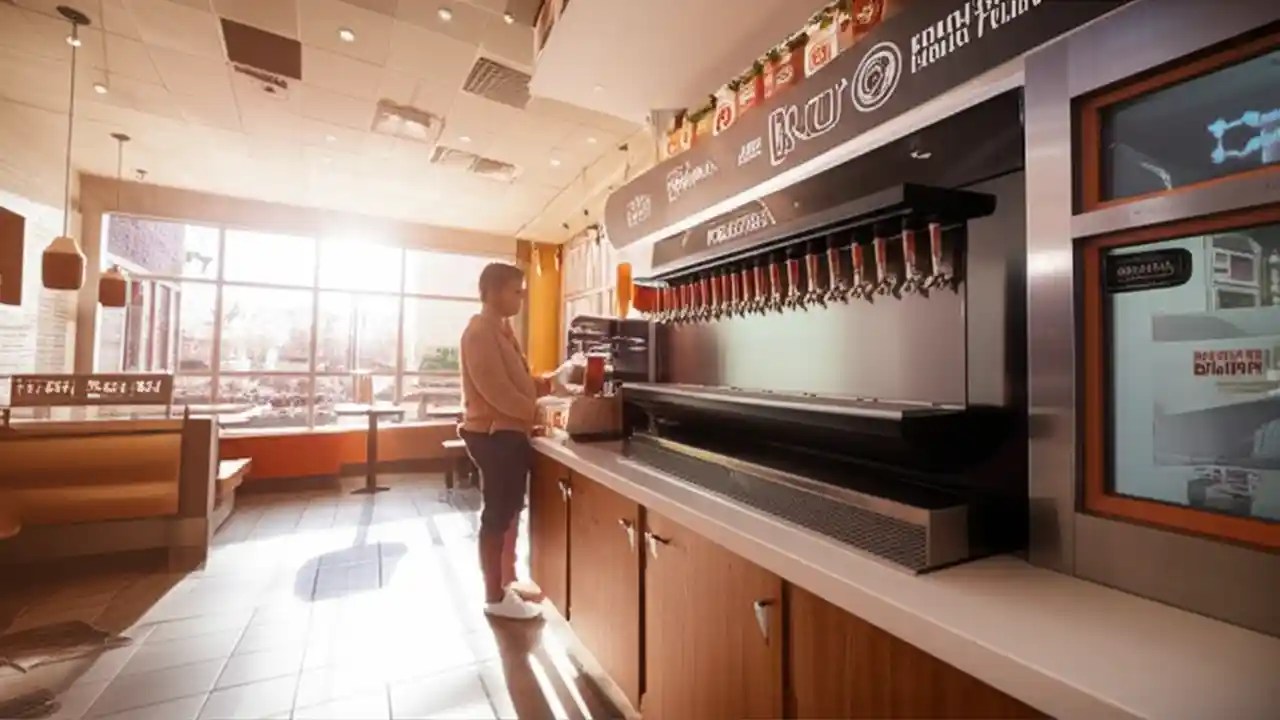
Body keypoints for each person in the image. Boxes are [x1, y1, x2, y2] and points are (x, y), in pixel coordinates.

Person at [459, 262, 574, 620]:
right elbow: (496, 392)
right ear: (492, 291)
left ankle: (507, 582)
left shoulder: (503, 331)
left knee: (511, 509)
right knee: (497, 514)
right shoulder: (479, 332)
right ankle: (494, 596)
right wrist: (539, 413)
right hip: (494, 434)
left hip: (510, 432)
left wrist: (552, 381)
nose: (521, 297)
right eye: (516, 290)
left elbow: (518, 382)